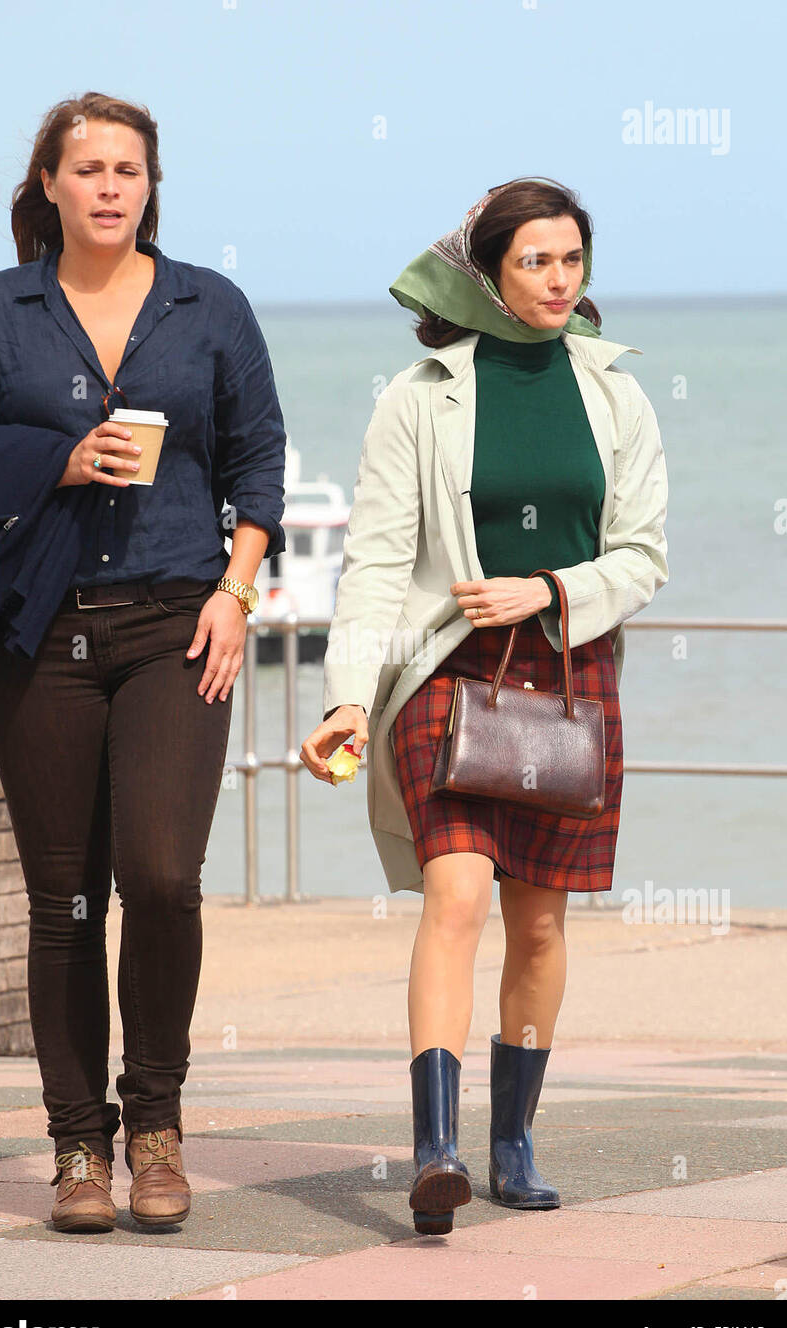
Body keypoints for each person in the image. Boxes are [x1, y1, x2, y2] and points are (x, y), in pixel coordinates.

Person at [300, 177, 669, 1234]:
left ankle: (513, 1141)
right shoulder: (419, 396)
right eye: (535, 262)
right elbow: (374, 564)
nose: (559, 281)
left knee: (540, 923)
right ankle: (436, 1149)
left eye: (572, 260)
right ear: (489, 275)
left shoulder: (618, 395)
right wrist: (346, 700)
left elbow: (644, 557)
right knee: (454, 894)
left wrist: (550, 589)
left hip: (566, 670)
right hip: (445, 670)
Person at [0, 92, 286, 1232]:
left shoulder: (209, 305)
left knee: (158, 876)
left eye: (126, 170)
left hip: (176, 624)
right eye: (86, 168)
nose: (107, 187)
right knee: (63, 900)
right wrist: (58, 459)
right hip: (34, 634)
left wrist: (239, 592)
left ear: (150, 184)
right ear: (48, 183)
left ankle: (156, 1126)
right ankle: (77, 1151)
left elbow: (259, 461)